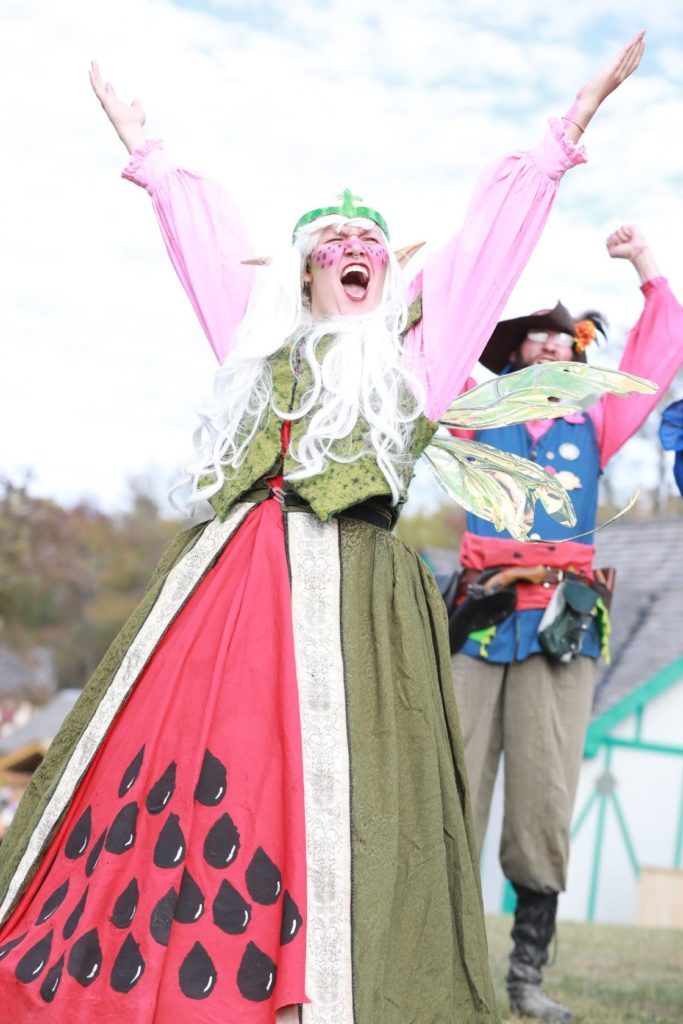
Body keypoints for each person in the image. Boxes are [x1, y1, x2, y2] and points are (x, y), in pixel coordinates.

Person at [0, 37, 645, 1023]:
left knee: (349, 796)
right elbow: (205, 255)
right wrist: (153, 160)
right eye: (330, 243)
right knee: (217, 777)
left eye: (368, 244)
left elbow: (484, 247)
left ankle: (332, 980)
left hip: (360, 611)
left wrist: (564, 132)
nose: (352, 251)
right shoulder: (258, 352)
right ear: (300, 275)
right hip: (230, 602)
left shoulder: (415, 372)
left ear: (388, 275)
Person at [450, 222, 683, 1022]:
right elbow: (425, 355)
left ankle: (523, 977)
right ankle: (435, 959)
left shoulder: (597, 425)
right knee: (451, 787)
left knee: (544, 798)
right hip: (479, 619)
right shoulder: (474, 413)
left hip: (561, 624)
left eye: (562, 345)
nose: (550, 353)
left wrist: (646, 267)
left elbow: (658, 356)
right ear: (510, 359)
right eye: (534, 344)